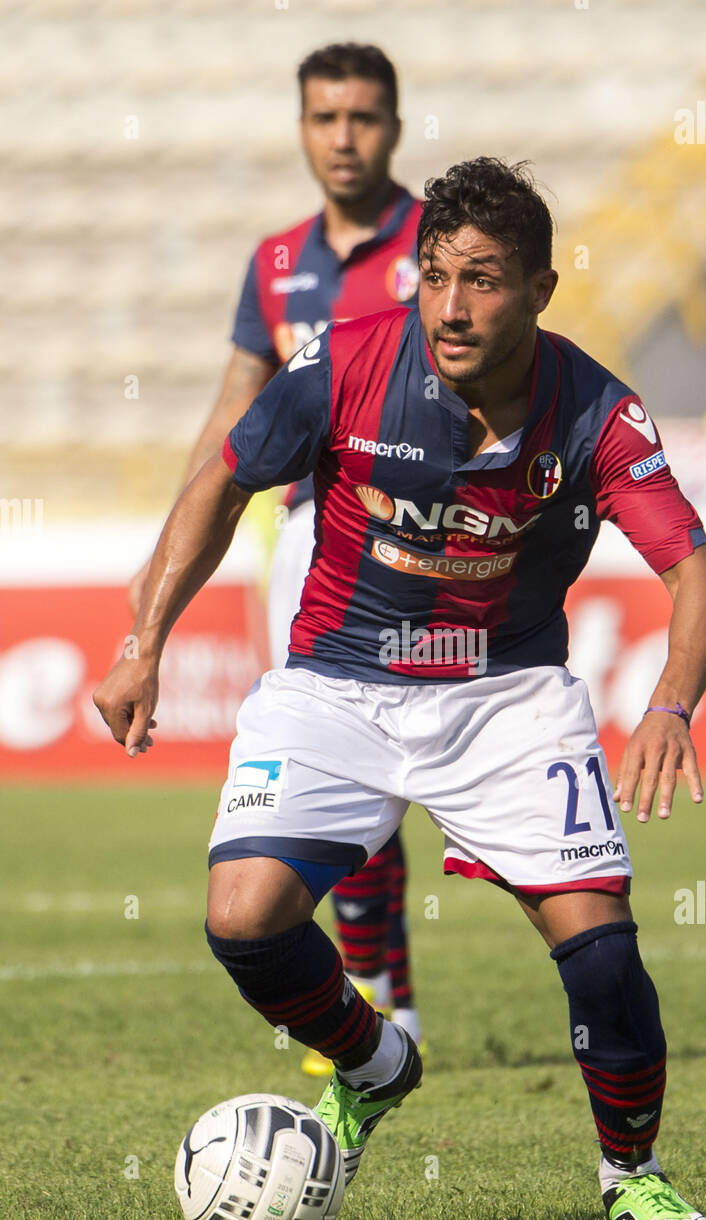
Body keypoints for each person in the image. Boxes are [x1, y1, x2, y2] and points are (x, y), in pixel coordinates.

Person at [96, 157, 706, 1220]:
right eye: (435, 276)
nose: (450, 307)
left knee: (601, 953)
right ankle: (376, 1060)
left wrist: (670, 704)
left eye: (482, 279)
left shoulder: (597, 411)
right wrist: (144, 641)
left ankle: (631, 1171)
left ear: (539, 288)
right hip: (335, 684)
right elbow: (224, 478)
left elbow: (700, 580)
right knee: (243, 921)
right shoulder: (345, 364)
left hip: (507, 697)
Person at [127, 43, 425, 1075]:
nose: (344, 137)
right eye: (325, 117)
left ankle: (401, 986)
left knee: (410, 759)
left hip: (422, 535)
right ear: (301, 128)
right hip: (306, 532)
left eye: (363, 117)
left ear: (394, 126)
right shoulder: (274, 261)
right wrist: (172, 539)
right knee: (336, 753)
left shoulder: (436, 243)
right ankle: (380, 991)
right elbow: (236, 405)